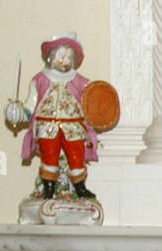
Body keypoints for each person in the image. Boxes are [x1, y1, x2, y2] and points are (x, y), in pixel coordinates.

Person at [6, 33, 99, 200]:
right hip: (47, 126)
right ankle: (48, 189)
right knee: (49, 155)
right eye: (60, 57)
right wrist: (18, 113)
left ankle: (80, 187)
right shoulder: (39, 80)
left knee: (76, 156)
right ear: (50, 58)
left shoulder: (81, 82)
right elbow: (30, 105)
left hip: (73, 127)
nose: (64, 61)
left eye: (68, 57)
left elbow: (92, 102)